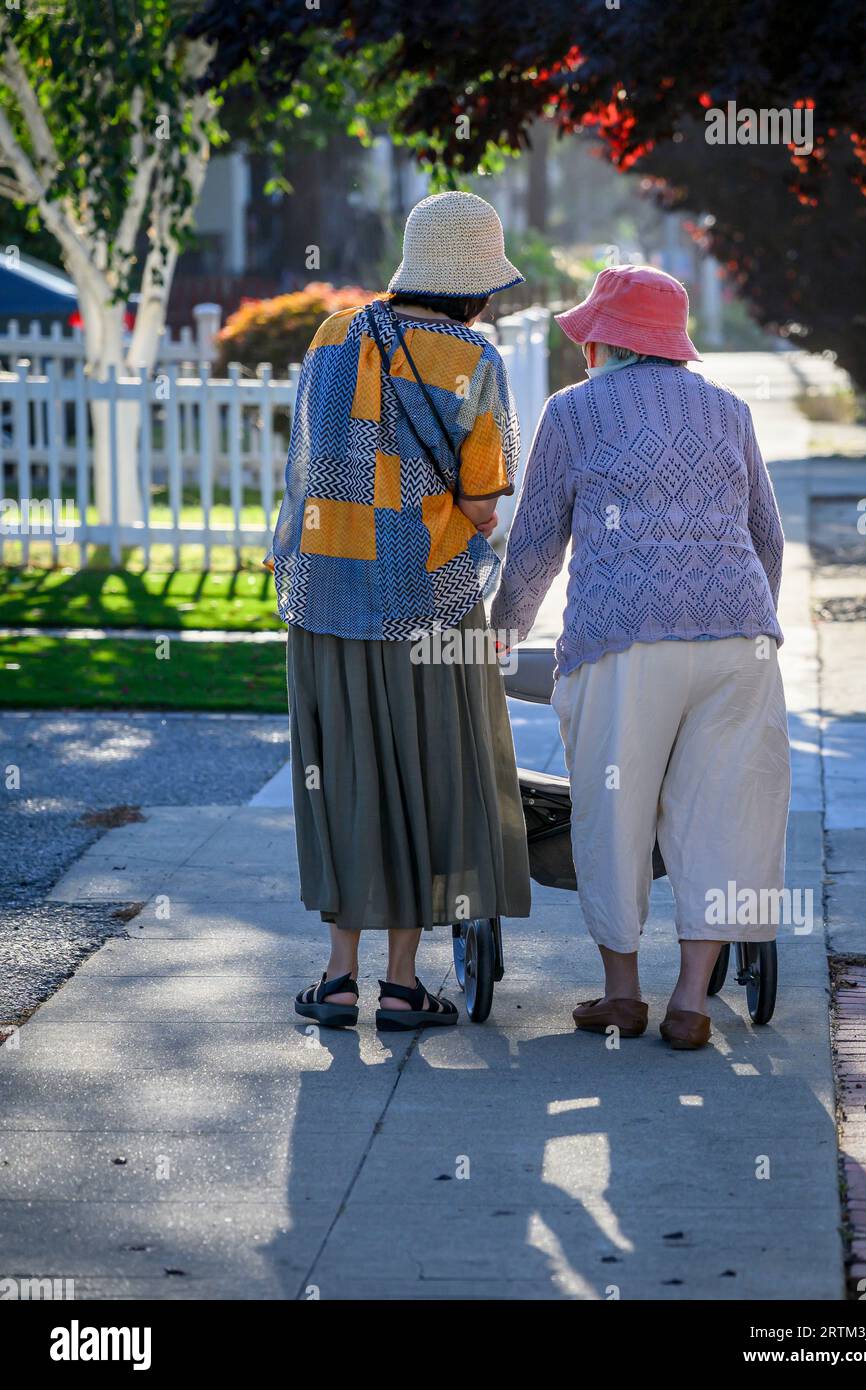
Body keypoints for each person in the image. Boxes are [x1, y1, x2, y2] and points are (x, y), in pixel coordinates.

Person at [491, 264, 789, 1050]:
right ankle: (691, 1001)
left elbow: (535, 545)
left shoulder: (574, 411)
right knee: (726, 810)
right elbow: (767, 537)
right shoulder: (729, 410)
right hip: (738, 639)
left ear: (605, 340)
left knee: (613, 810)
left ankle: (623, 995)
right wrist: (751, 619)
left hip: (627, 641)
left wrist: (502, 631)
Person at [265, 191, 531, 1031]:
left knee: (342, 773)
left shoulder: (332, 335)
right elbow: (486, 500)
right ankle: (405, 982)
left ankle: (338, 979)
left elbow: (307, 461)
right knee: (426, 774)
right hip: (428, 598)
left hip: (325, 592)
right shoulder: (473, 357)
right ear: (476, 286)